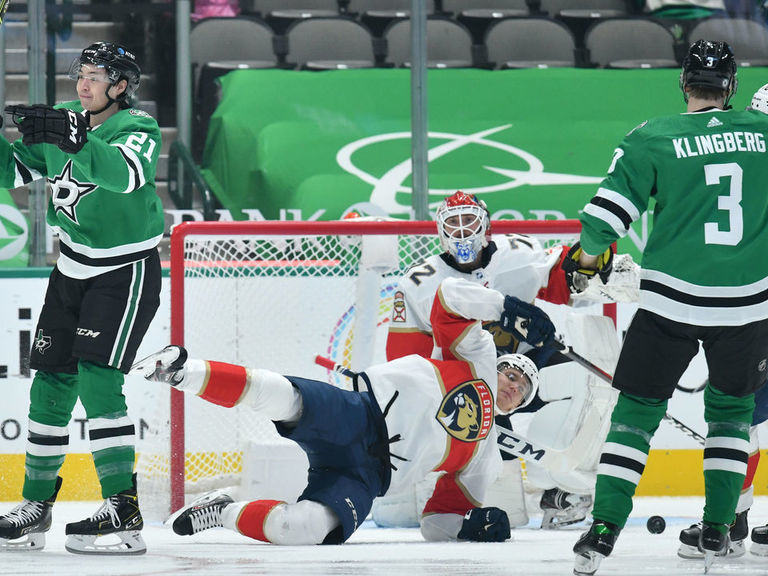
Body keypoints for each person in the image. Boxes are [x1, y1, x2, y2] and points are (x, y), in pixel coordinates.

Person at [131, 277, 550, 545]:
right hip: (361, 412)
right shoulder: (475, 355)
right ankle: (181, 370)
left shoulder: (486, 456)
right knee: (285, 397)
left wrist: (470, 527)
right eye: (512, 374)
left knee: (301, 530)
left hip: (367, 476)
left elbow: (436, 523)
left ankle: (221, 511)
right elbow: (448, 296)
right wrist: (506, 308)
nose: (513, 386)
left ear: (523, 404)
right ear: (500, 365)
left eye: (523, 389)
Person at [567, 40, 768, 575]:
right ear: (732, 86)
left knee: (634, 417)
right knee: (731, 417)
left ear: (684, 83)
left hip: (670, 302)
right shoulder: (764, 134)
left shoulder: (652, 137)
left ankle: (604, 528)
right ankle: (719, 529)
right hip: (746, 307)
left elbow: (602, 225)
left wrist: (586, 262)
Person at [0, 42, 163, 554]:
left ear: (120, 86)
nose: (83, 83)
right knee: (49, 385)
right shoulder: (65, 119)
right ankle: (35, 508)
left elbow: (121, 176)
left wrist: (75, 143)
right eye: (81, 74)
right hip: (71, 270)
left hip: (125, 272)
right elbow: (13, 174)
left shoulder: (139, 127)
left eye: (95, 76)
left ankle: (122, 509)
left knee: (98, 383)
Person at [382, 190, 609, 531]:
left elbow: (571, 281)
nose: (461, 231)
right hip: (465, 381)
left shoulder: (520, 253)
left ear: (485, 226)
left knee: (583, 383)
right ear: (441, 231)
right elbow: (404, 363)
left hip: (524, 370)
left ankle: (559, 488)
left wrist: (597, 257)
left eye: (469, 221)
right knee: (504, 507)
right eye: (453, 224)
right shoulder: (419, 282)